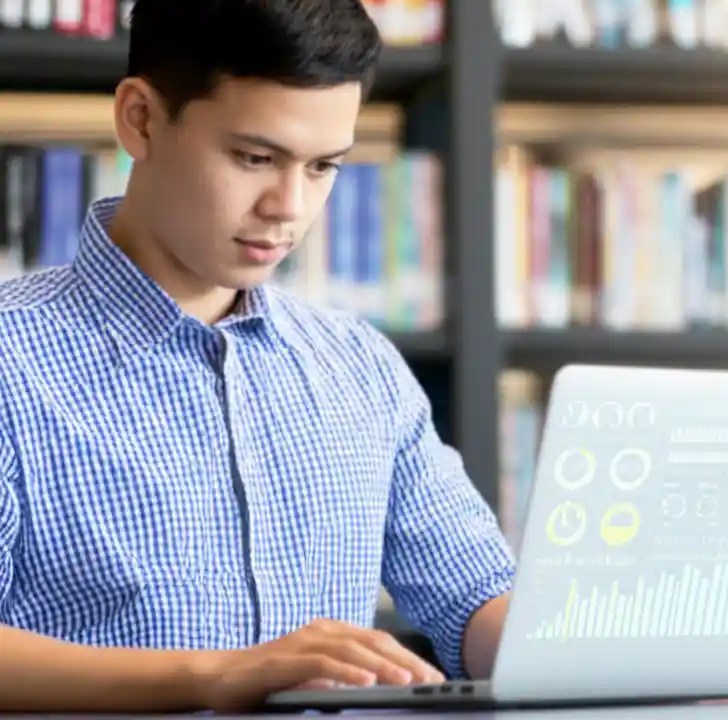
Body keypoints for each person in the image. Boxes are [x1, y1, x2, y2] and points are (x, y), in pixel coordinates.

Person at [0, 0, 516, 713]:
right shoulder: (12, 361)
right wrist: (212, 677)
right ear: (140, 119)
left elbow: (477, 598)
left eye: (323, 167)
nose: (289, 206)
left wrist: (620, 650)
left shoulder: (359, 366)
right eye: (254, 157)